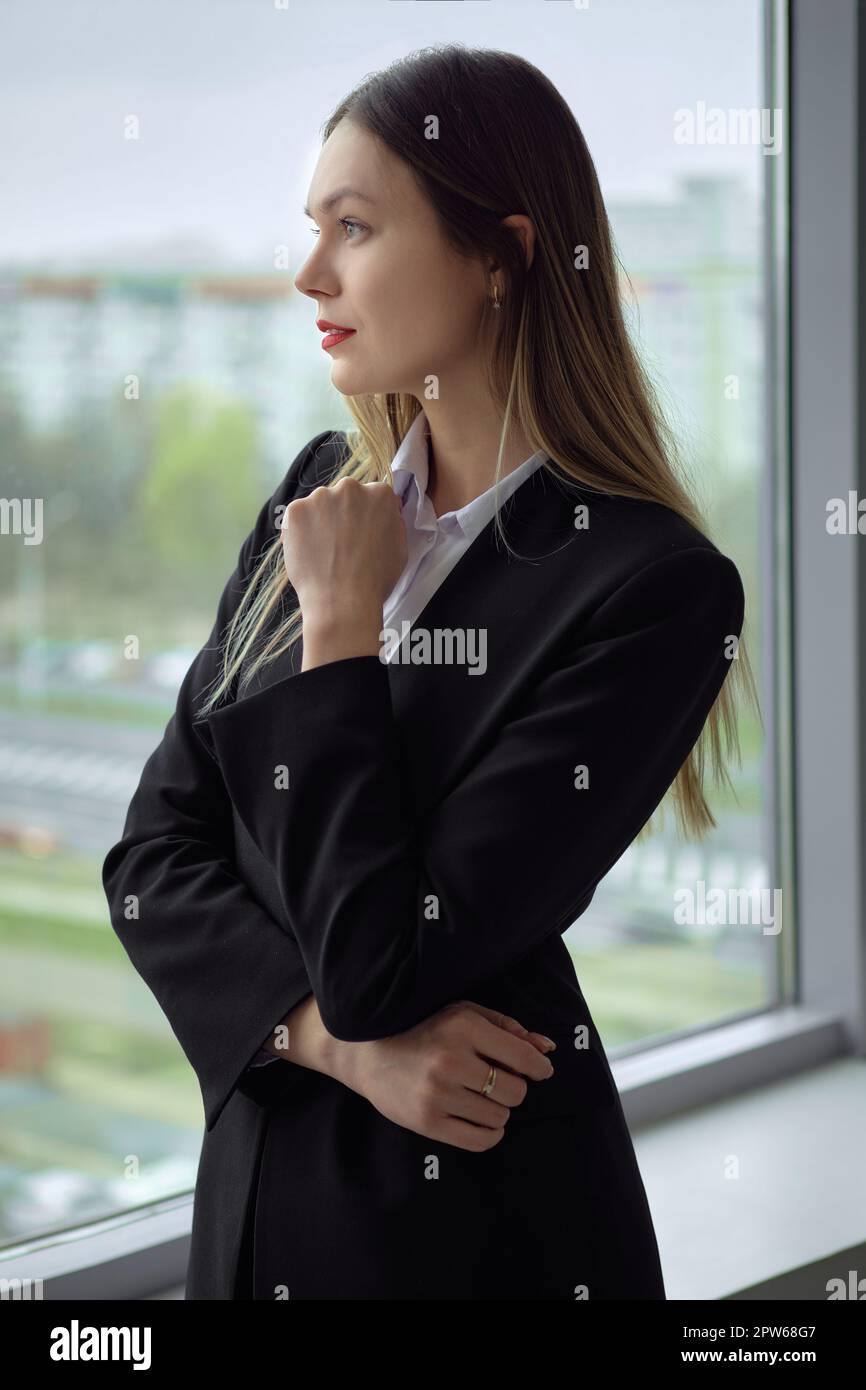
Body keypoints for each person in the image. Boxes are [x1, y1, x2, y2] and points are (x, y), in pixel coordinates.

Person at [102, 44, 758, 1300]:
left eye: (354, 227)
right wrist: (330, 1049)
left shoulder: (651, 588)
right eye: (311, 228)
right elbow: (148, 863)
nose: (308, 273)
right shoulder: (316, 491)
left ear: (501, 256)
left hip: (471, 1242)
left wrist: (343, 628)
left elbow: (382, 962)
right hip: (248, 1223)